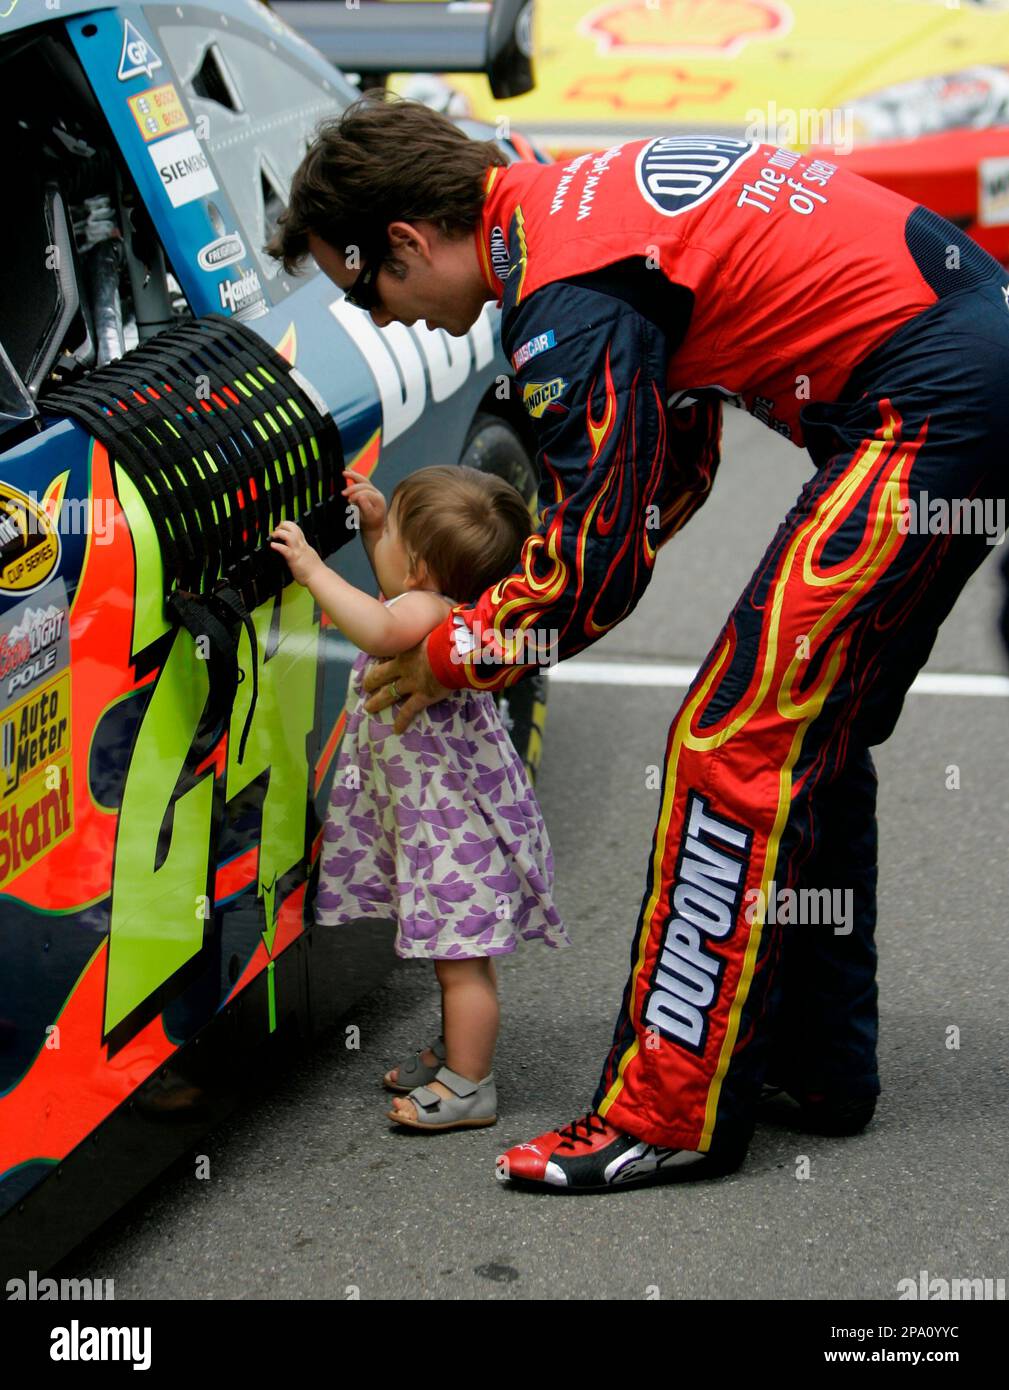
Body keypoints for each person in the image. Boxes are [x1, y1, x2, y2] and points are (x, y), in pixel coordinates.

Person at [267, 93, 1009, 1190]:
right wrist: (525, 597)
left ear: (410, 241)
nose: (377, 318)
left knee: (732, 741)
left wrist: (451, 649)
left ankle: (666, 1110)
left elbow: (597, 568)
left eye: (360, 284)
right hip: (951, 371)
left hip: (934, 402)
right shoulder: (563, 205)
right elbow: (678, 453)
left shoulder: (560, 289)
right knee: (804, 731)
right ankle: (815, 1062)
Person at [270, 464, 570, 1132]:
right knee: (459, 960)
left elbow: (379, 626)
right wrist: (379, 529)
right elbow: (395, 599)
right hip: (445, 818)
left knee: (460, 966)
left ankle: (469, 1085)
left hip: (446, 829)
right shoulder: (447, 607)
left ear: (423, 568)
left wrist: (314, 571)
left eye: (399, 540)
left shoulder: (420, 613)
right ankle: (458, 1054)